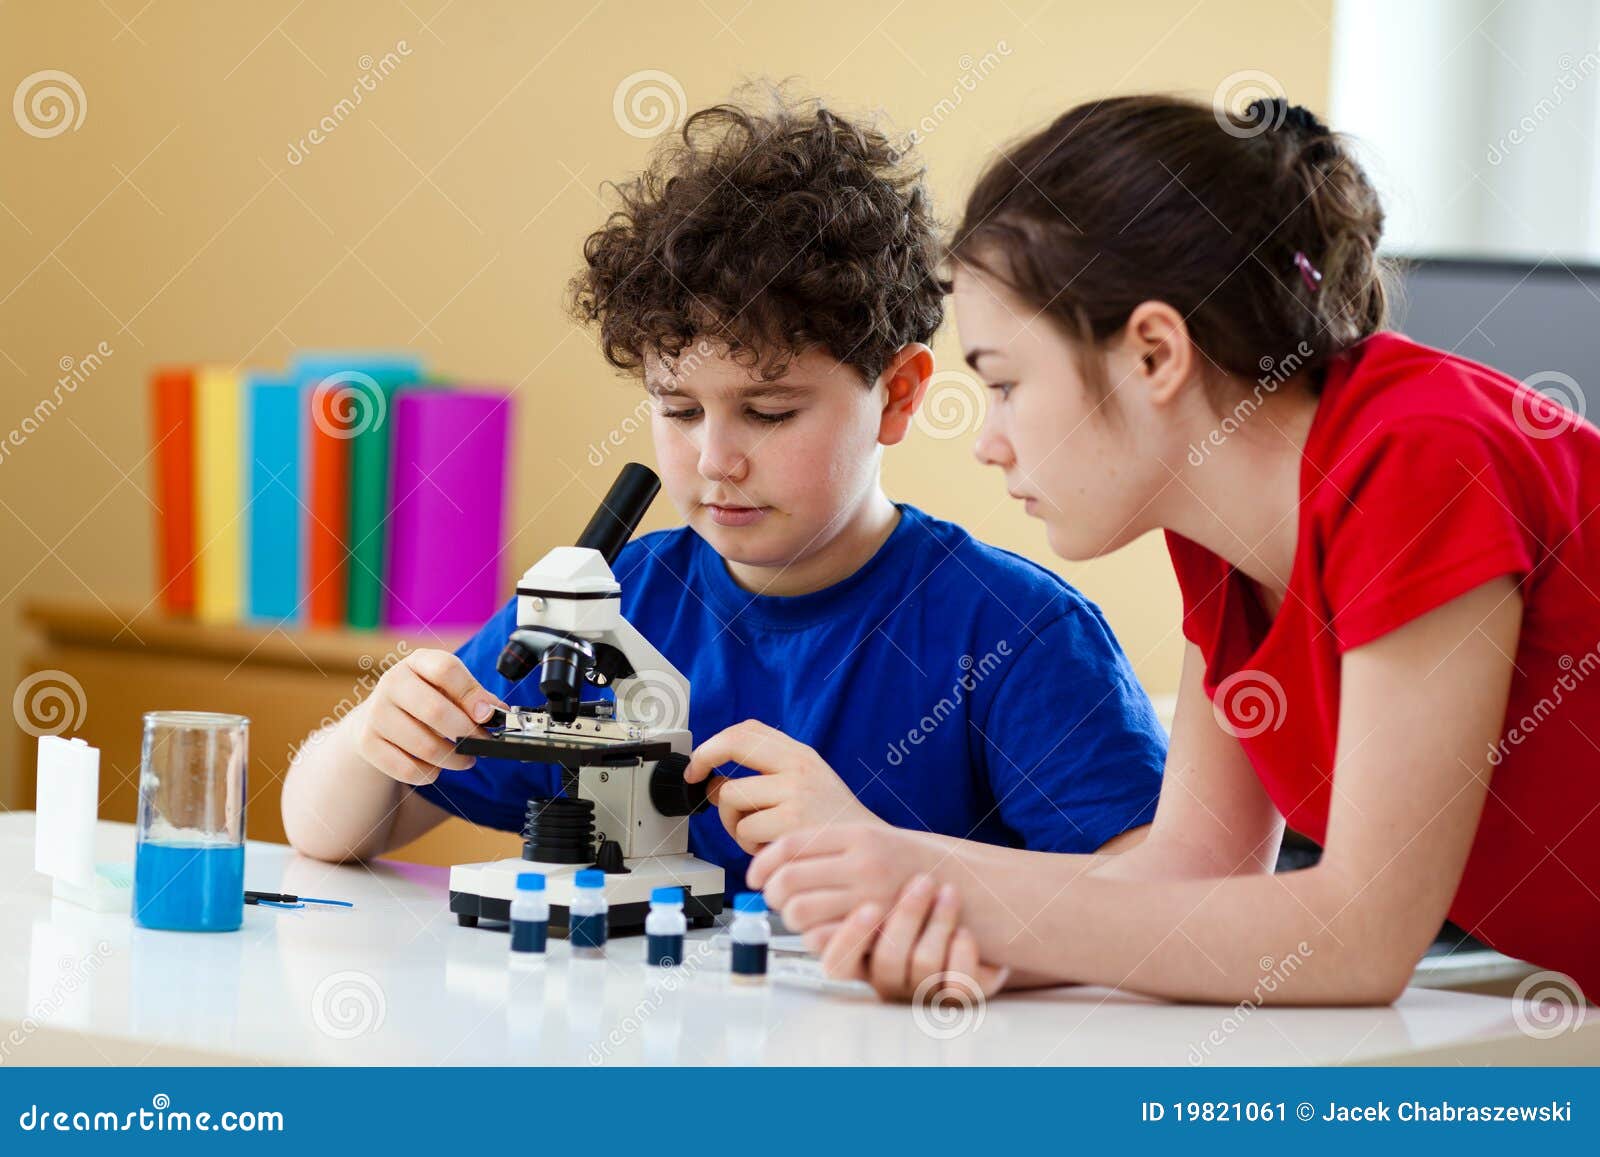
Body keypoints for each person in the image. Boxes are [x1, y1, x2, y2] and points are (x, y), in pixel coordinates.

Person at [747, 94, 1600, 1004]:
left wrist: (968, 897)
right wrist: (928, 910)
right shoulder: (1222, 541)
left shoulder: (1418, 458)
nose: (986, 441)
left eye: (1003, 383)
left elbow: (1361, 937)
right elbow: (1192, 877)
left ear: (1154, 352)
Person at [281, 97, 1167, 895]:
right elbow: (327, 829)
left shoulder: (1013, 634)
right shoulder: (609, 604)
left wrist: (888, 858)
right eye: (677, 408)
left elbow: (1154, 901)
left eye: (770, 412)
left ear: (896, 395)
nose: (716, 460)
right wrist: (374, 736)